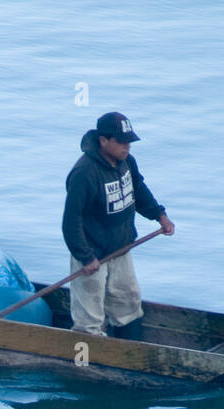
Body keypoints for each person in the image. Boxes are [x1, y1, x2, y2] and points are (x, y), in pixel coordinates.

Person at [62, 111, 175, 338]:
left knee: (129, 304)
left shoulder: (126, 162)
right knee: (90, 319)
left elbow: (139, 191)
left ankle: (131, 352)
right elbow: (71, 221)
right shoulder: (84, 173)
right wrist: (85, 256)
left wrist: (159, 215)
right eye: (121, 142)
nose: (127, 147)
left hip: (121, 249)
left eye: (129, 142)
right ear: (103, 141)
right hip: (92, 254)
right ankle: (86, 364)